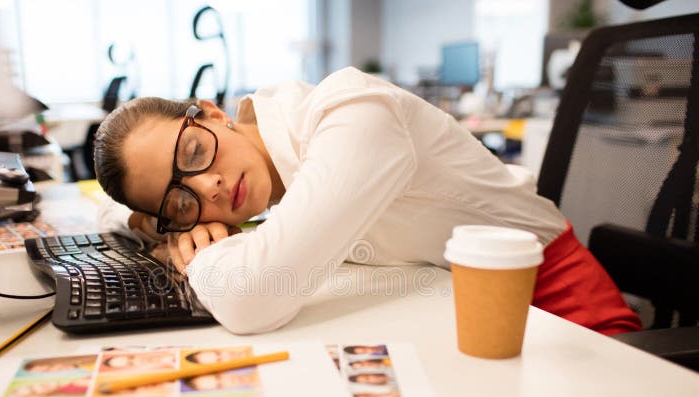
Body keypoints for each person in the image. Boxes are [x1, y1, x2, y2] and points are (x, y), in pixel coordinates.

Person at [94, 67, 641, 336]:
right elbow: (119, 210)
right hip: (453, 315)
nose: (207, 187)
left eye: (194, 152)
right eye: (182, 202)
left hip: (555, 318)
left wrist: (197, 254)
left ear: (212, 113)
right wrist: (157, 224)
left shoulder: (351, 113)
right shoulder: (271, 172)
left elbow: (253, 294)